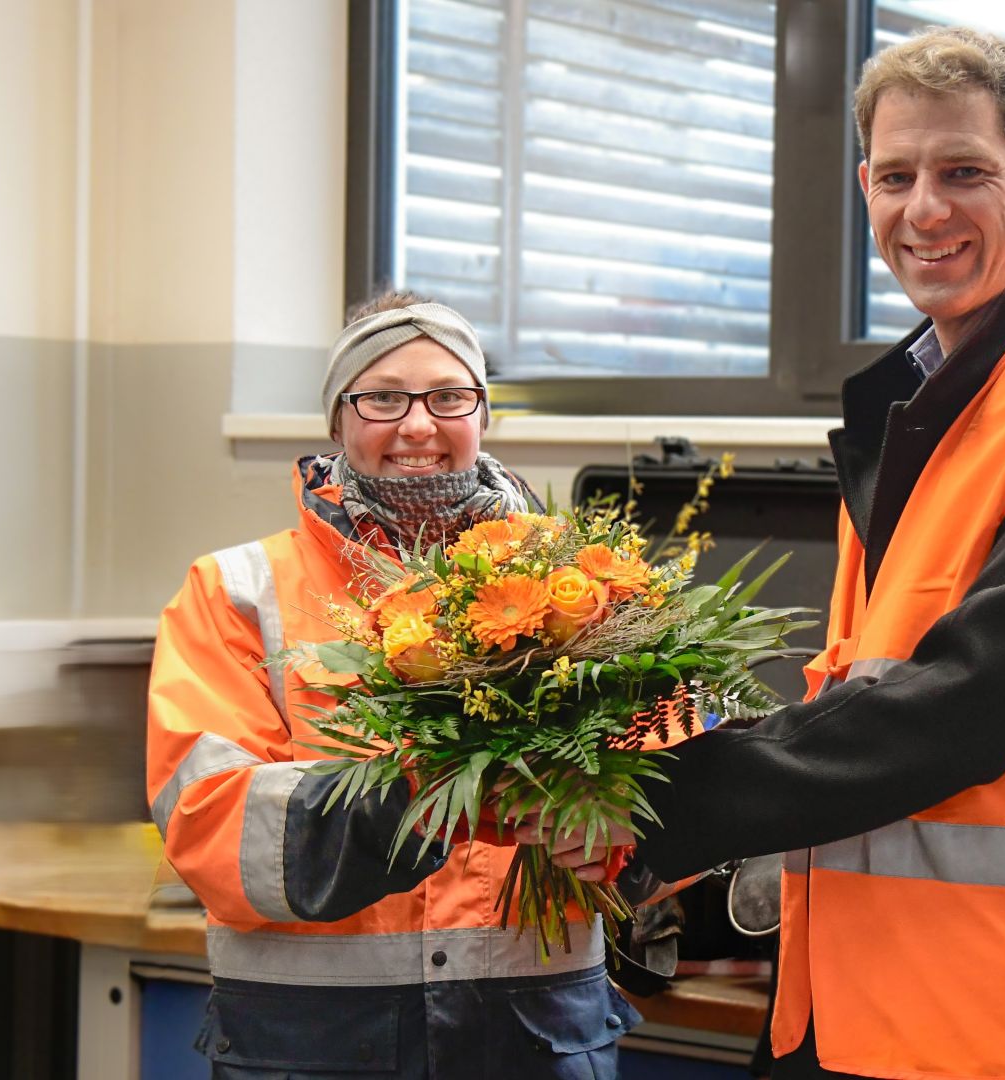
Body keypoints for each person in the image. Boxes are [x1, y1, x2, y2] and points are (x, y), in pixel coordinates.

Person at [523, 26, 1005, 1080]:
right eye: (895, 177)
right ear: (863, 187)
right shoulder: (918, 407)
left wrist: (655, 801)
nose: (923, 211)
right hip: (849, 1003)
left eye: (963, 173)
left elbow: (966, 701)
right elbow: (858, 698)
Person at [146, 291, 641, 1079]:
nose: (418, 425)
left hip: (534, 1029)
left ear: (482, 414)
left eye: (448, 396)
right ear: (337, 419)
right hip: (311, 1041)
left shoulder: (580, 580)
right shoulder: (235, 590)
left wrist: (620, 845)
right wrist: (453, 799)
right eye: (382, 397)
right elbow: (214, 827)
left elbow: (667, 776)